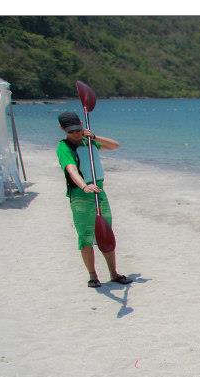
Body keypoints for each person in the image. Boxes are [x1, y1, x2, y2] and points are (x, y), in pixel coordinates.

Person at [55, 111, 133, 288]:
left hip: (99, 192)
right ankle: (93, 276)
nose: (76, 134)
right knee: (86, 237)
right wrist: (84, 186)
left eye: (78, 129)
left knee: (106, 233)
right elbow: (71, 169)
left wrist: (95, 136)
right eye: (71, 131)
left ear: (81, 124)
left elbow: (115, 145)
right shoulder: (64, 147)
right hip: (81, 196)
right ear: (62, 129)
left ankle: (113, 273)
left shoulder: (88, 141)